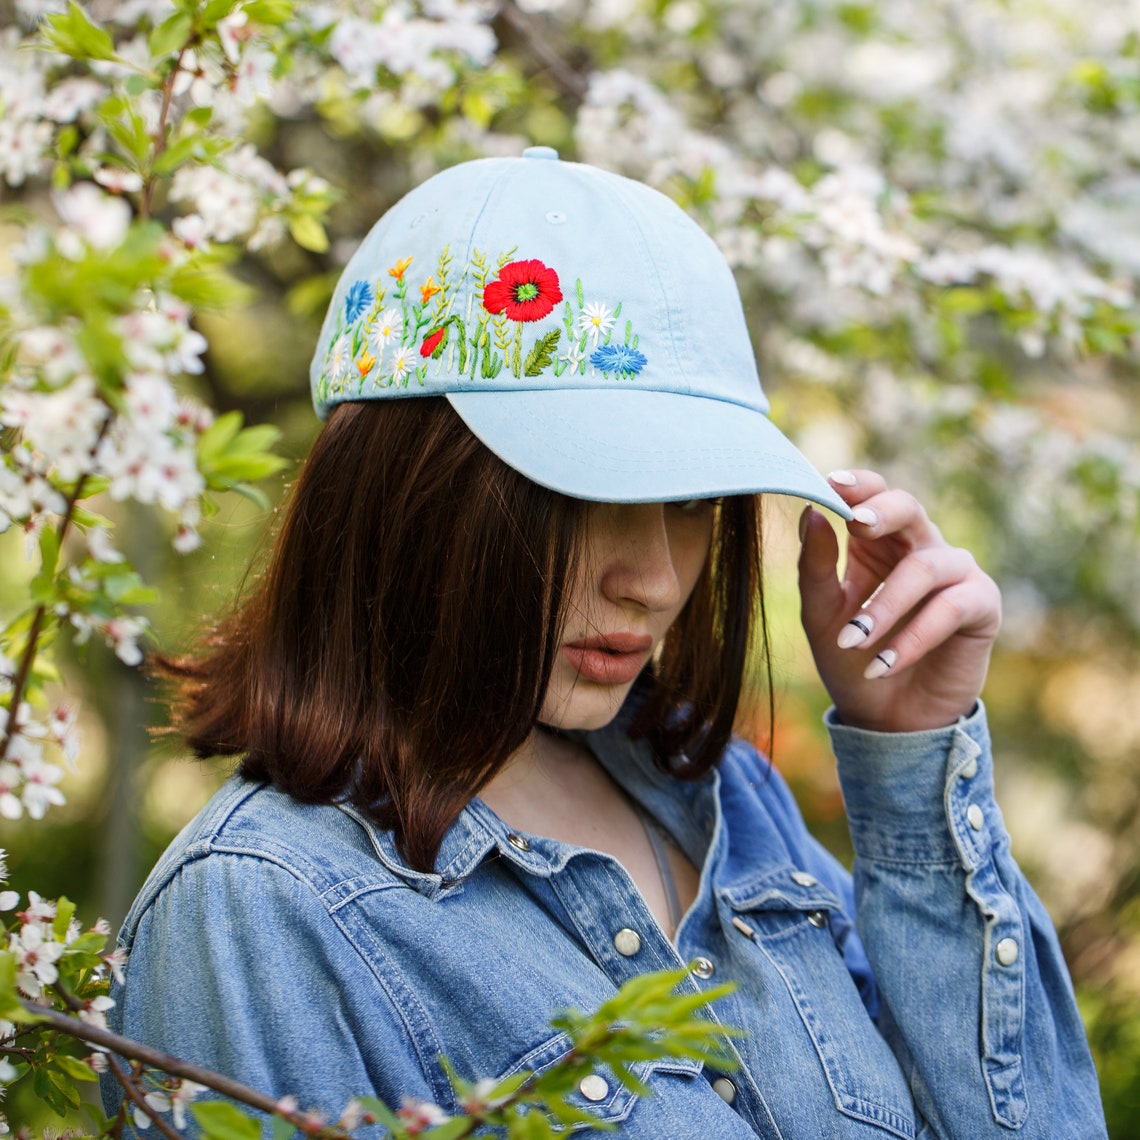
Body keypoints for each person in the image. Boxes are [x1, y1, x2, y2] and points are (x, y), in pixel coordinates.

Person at [104, 148, 1106, 1137]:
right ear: (406, 494)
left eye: (685, 502)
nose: (659, 579)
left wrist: (910, 756)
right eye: (582, 497)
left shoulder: (726, 803)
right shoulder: (255, 914)